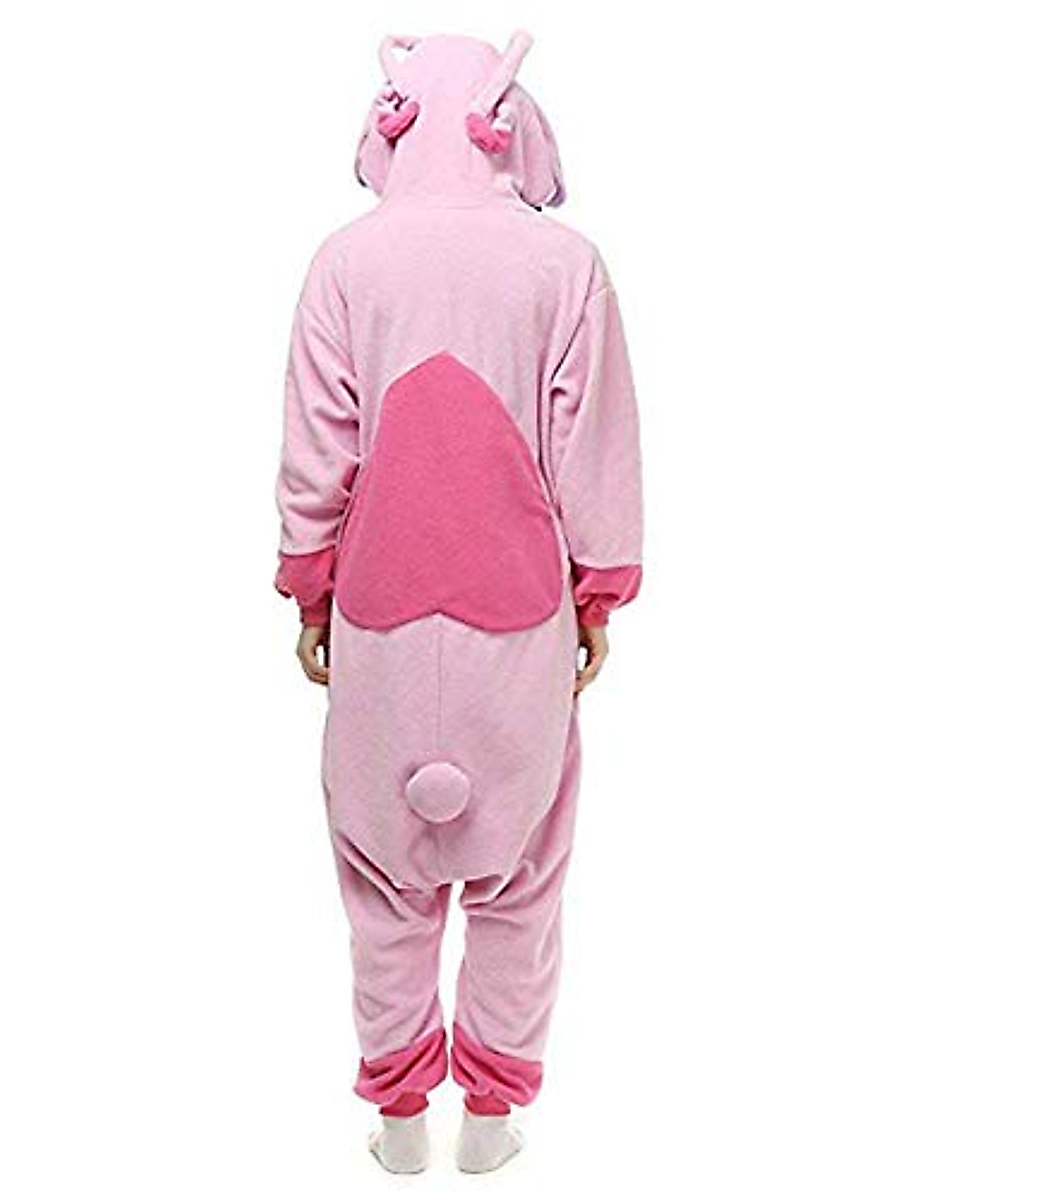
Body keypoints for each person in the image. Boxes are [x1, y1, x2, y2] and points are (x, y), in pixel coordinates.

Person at [274, 30, 643, 1174]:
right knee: (521, 879)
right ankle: (489, 1120)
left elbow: (318, 443)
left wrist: (310, 584)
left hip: (379, 618)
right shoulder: (563, 266)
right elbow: (593, 445)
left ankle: (398, 1122)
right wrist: (598, 589)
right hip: (519, 620)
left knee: (384, 882)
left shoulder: (345, 263)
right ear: (507, 126)